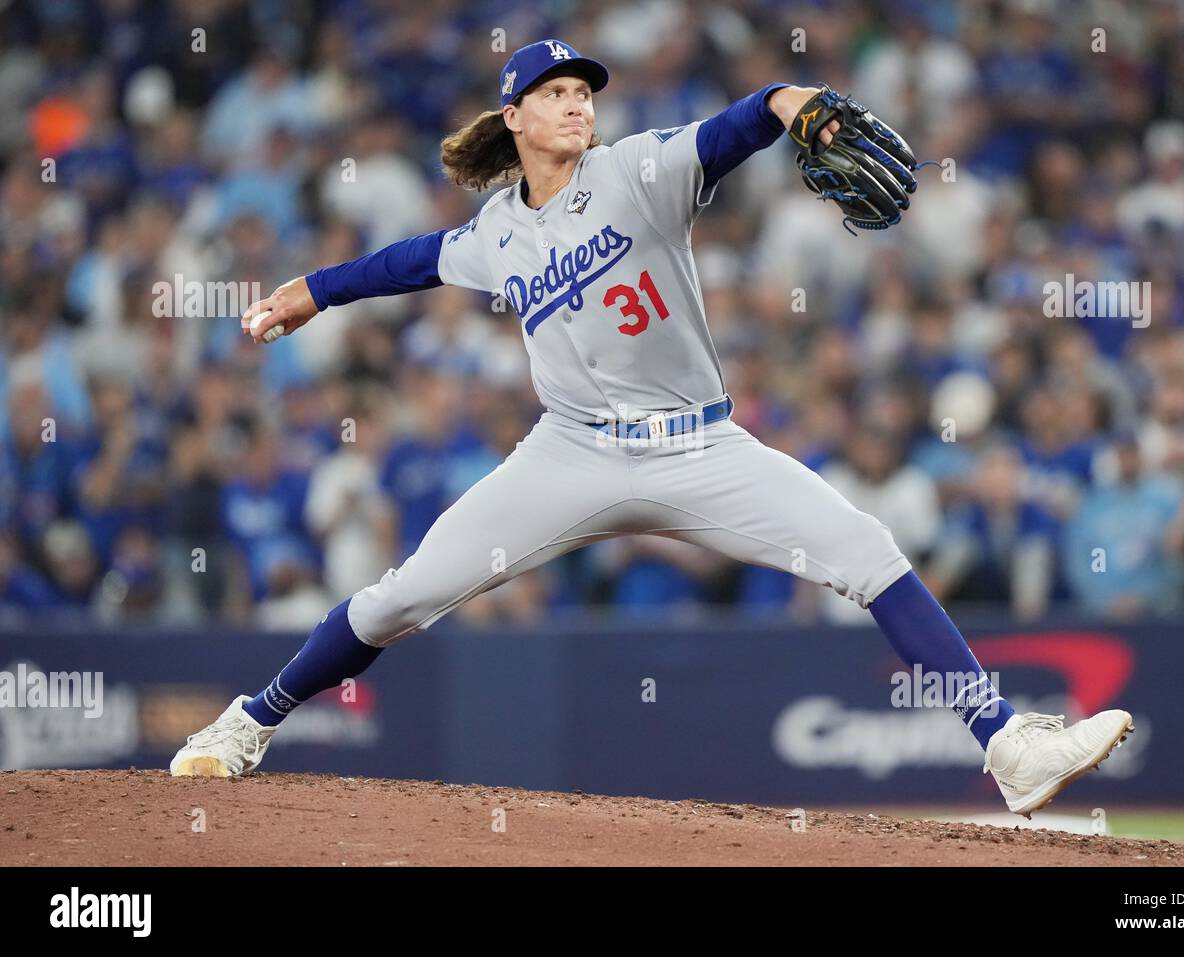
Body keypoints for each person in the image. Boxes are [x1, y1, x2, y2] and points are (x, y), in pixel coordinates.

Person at [170, 39, 1133, 817]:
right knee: (399, 597)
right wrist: (311, 292)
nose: (576, 104)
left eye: (583, 89)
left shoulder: (639, 171)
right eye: (552, 92)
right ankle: (250, 721)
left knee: (866, 548)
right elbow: (408, 262)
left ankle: (1005, 746)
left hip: (701, 446)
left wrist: (796, 102)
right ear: (514, 118)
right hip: (571, 451)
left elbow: (741, 123)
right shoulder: (494, 234)